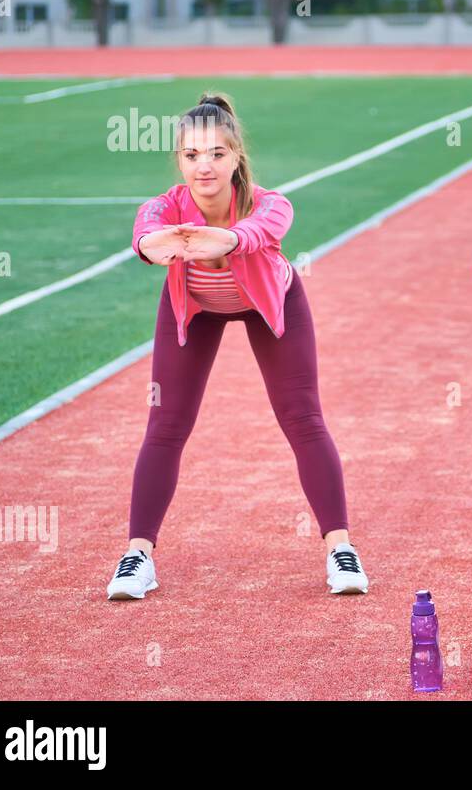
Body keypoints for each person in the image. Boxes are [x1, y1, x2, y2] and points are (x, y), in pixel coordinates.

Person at [105, 92, 368, 600]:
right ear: (179, 159)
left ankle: (341, 549)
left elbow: (257, 231)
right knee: (165, 427)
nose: (204, 166)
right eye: (192, 155)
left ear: (237, 157)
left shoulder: (269, 203)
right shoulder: (164, 207)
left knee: (303, 418)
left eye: (217, 154)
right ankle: (138, 555)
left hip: (271, 305)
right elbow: (145, 236)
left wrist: (219, 240)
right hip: (195, 310)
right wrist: (152, 245)